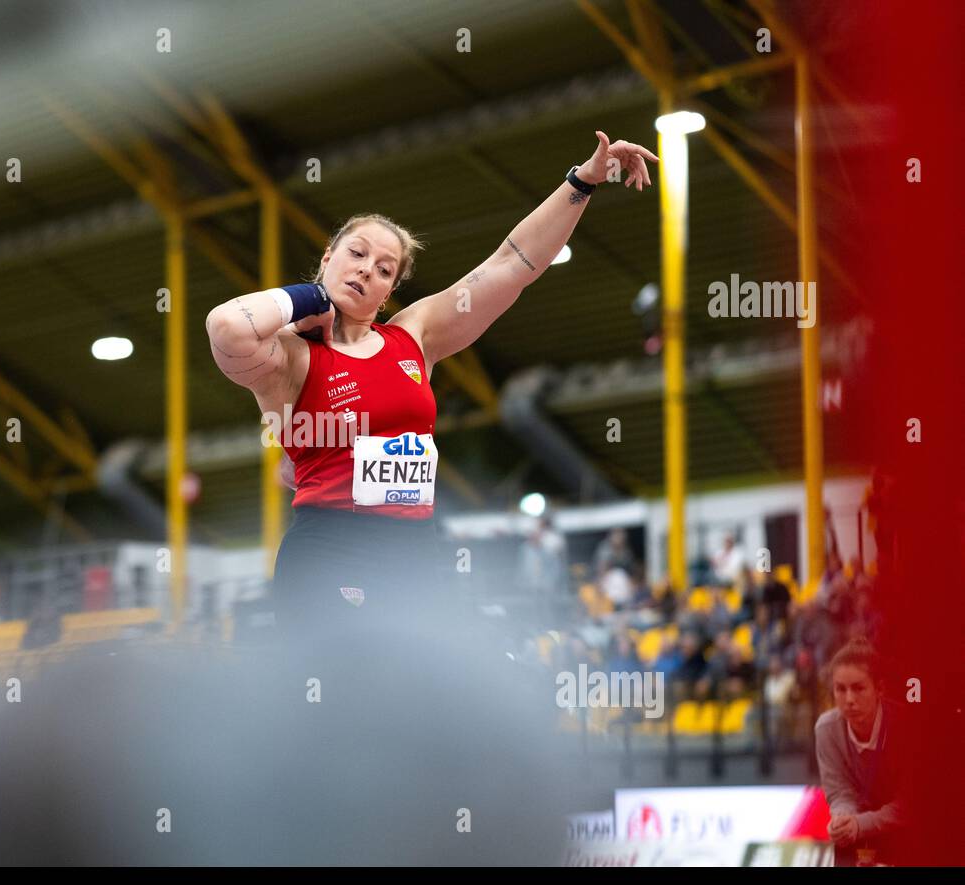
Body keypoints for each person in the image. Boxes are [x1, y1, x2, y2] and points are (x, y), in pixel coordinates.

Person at [205, 131, 658, 640]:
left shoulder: (413, 336)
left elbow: (510, 265)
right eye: (355, 254)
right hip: (331, 551)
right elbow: (226, 326)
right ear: (328, 256)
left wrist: (583, 181)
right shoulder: (292, 355)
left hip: (414, 549)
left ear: (390, 290)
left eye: (383, 269)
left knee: (424, 704)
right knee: (342, 700)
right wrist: (312, 298)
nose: (365, 271)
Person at [814, 641, 905, 865]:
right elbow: (839, 792)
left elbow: (911, 805)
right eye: (840, 689)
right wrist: (843, 819)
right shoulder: (826, 729)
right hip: (858, 833)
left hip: (908, 832)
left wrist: (859, 824)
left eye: (858, 688)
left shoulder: (906, 726)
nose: (849, 699)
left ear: (879, 689)